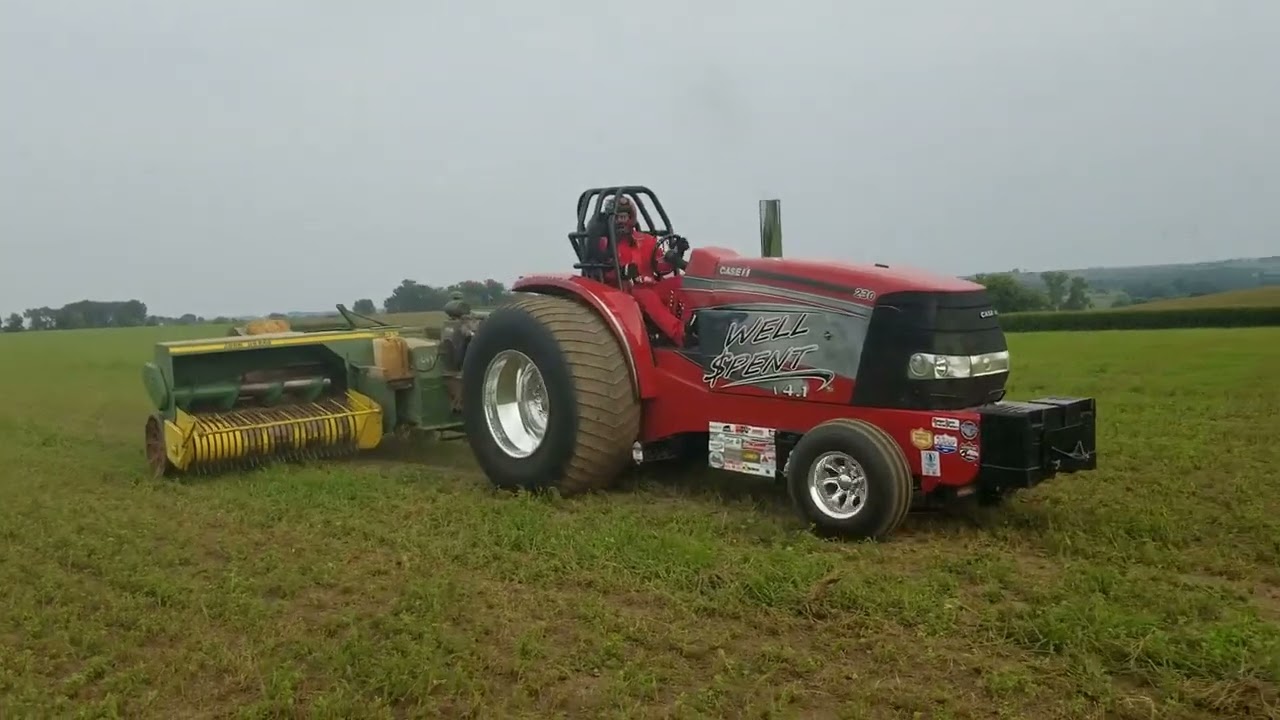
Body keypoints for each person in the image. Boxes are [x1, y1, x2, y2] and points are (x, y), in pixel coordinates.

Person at [594, 196, 691, 345]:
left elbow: (661, 266)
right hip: (623, 293)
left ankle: (690, 325)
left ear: (631, 217)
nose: (620, 221)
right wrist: (621, 271)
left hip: (651, 286)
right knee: (647, 296)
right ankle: (680, 334)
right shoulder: (604, 244)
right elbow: (599, 269)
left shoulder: (646, 240)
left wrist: (677, 253)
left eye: (623, 217)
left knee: (685, 283)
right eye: (617, 217)